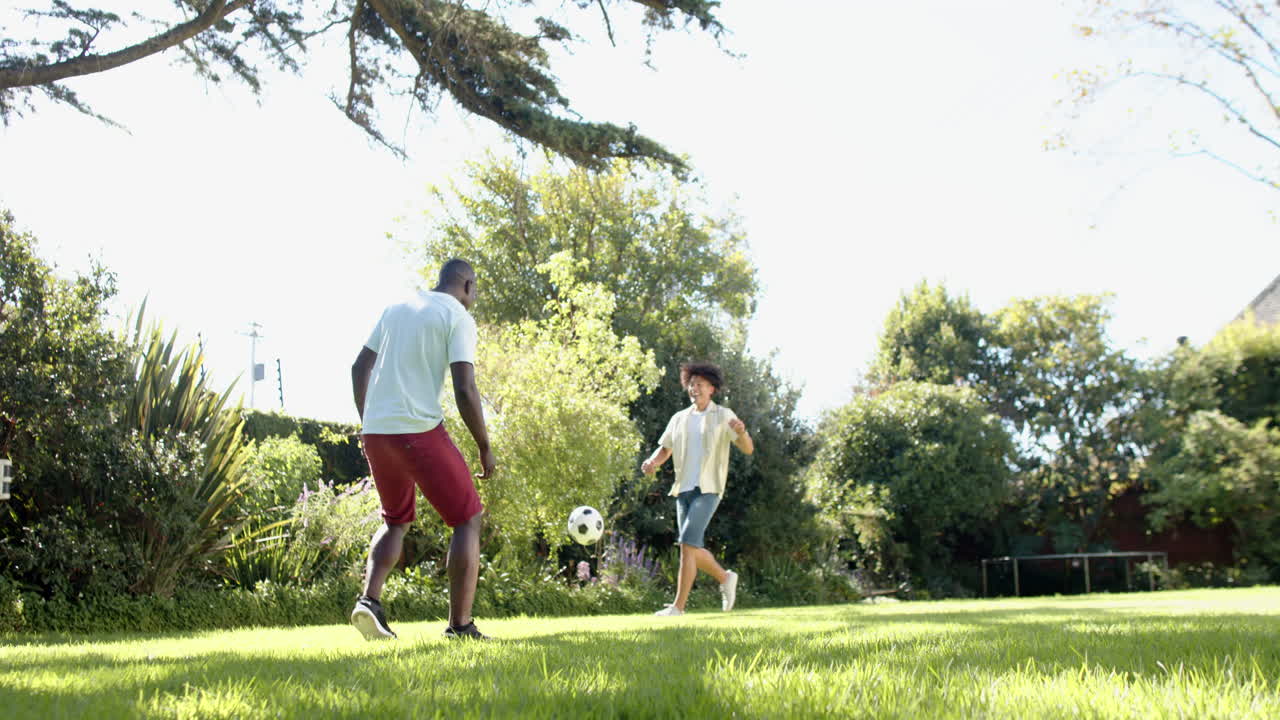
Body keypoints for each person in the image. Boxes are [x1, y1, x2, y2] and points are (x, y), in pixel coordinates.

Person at [349, 258, 497, 641]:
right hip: (417, 429)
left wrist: (370, 420)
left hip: (376, 431)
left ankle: (370, 601)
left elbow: (358, 367)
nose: (474, 297)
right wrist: (484, 446)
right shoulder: (457, 317)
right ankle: (460, 626)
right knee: (467, 518)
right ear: (466, 285)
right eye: (475, 290)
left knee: (395, 520)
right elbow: (465, 388)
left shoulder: (397, 307)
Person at [640, 362, 753, 616]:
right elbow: (665, 448)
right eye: (691, 384)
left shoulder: (723, 415)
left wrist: (742, 433)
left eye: (700, 384)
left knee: (688, 543)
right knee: (688, 546)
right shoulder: (679, 418)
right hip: (683, 490)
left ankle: (678, 608)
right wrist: (652, 462)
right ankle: (725, 577)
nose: (695, 388)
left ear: (712, 388)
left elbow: (747, 448)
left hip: (709, 488)